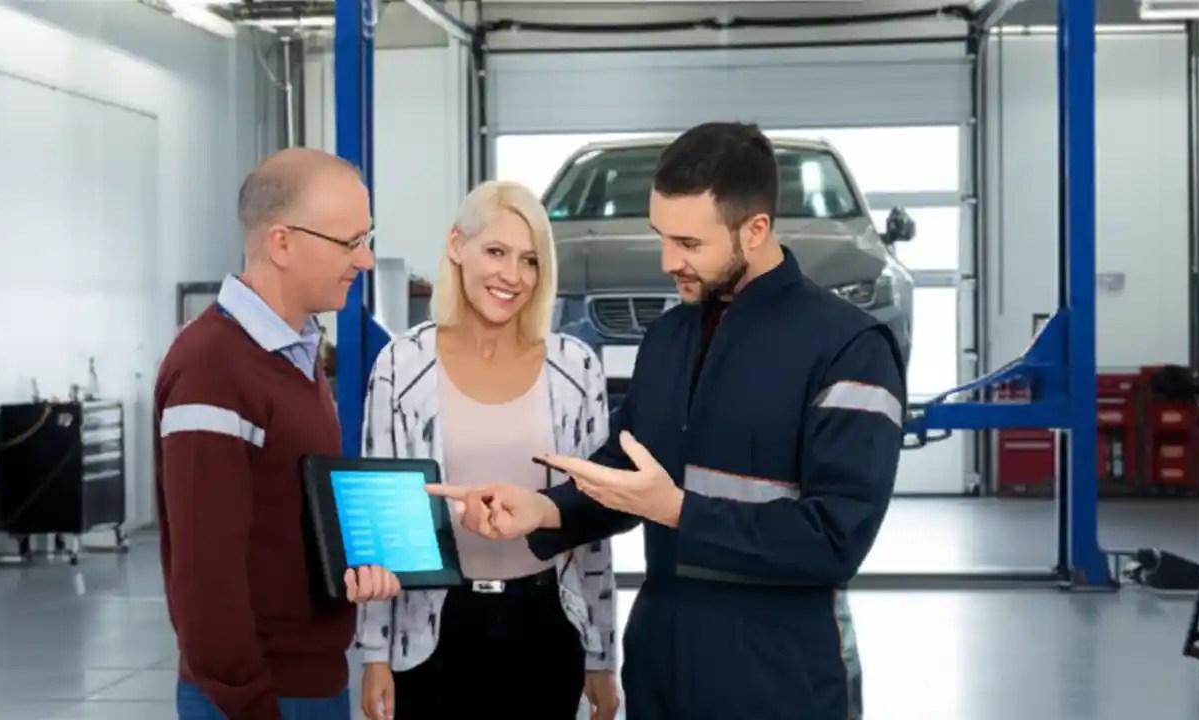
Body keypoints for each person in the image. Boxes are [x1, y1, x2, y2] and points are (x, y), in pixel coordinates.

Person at [429, 122, 906, 720]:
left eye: (688, 243)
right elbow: (626, 471)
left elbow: (836, 539)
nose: (666, 261)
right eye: (661, 236)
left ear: (755, 229)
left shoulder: (849, 348)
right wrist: (547, 510)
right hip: (663, 663)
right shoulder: (670, 337)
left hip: (782, 673)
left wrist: (678, 510)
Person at [354, 180, 621, 720]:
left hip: (548, 623)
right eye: (496, 252)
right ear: (457, 246)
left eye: (529, 260)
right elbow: (381, 522)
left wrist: (601, 654)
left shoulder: (575, 368)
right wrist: (375, 654)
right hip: (433, 630)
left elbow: (592, 522)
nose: (512, 276)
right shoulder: (402, 367)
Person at [154, 147, 403, 720]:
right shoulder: (213, 366)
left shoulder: (294, 354)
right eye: (350, 243)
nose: (365, 261)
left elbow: (285, 522)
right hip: (254, 696)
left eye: (368, 238)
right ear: (282, 242)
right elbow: (205, 582)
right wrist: (251, 702)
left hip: (310, 683)